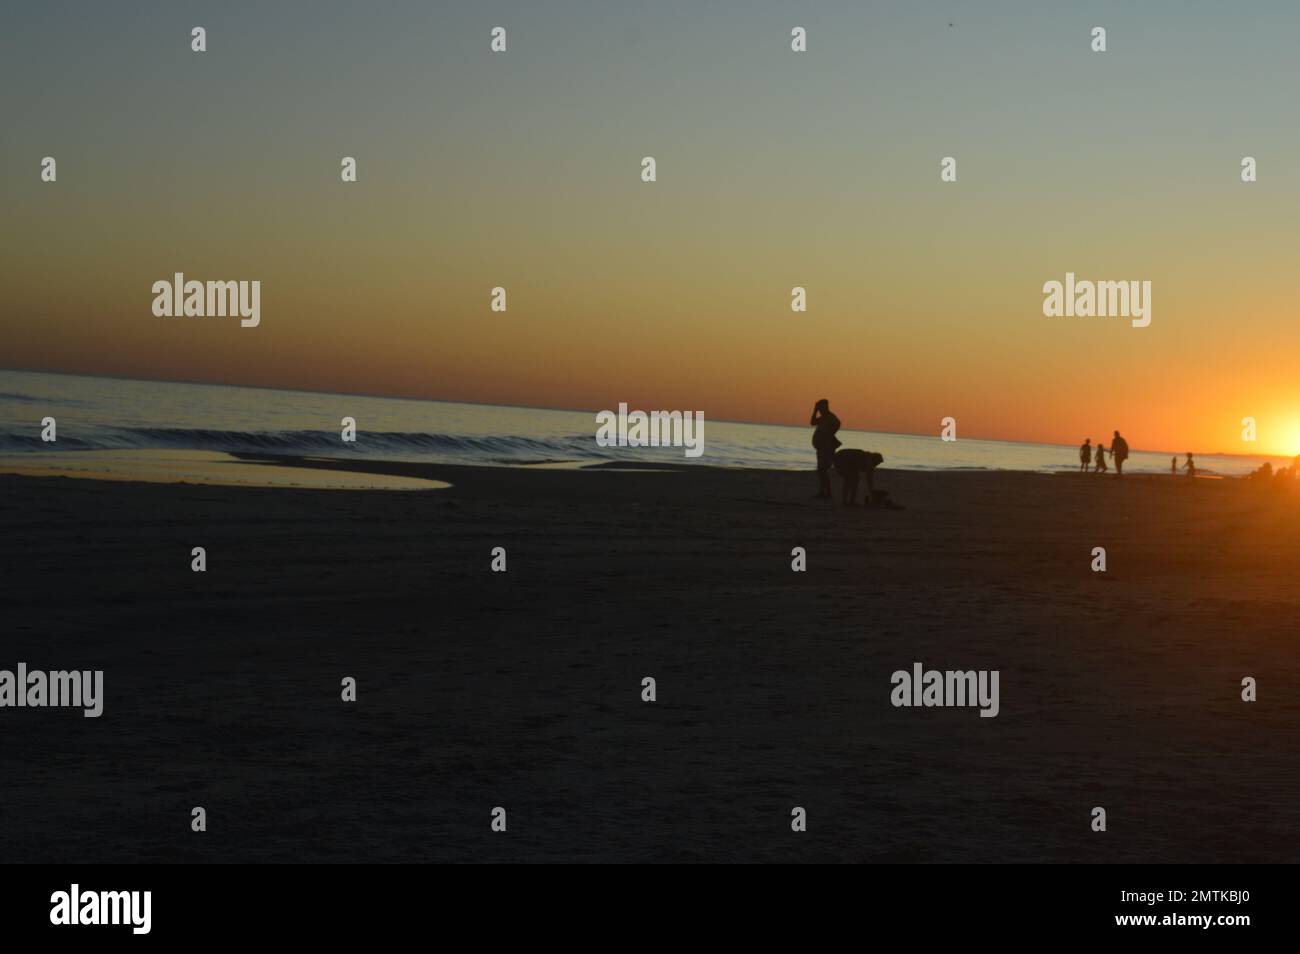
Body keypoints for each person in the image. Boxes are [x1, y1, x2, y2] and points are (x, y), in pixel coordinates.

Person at [810, 399, 841, 498]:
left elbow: (837, 424)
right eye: (818, 408)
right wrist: (814, 411)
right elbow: (812, 422)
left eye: (820, 407)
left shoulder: (831, 417)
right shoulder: (823, 418)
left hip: (826, 448)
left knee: (823, 470)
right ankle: (823, 492)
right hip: (821, 448)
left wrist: (828, 436)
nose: (819, 410)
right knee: (821, 471)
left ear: (825, 407)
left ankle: (826, 493)